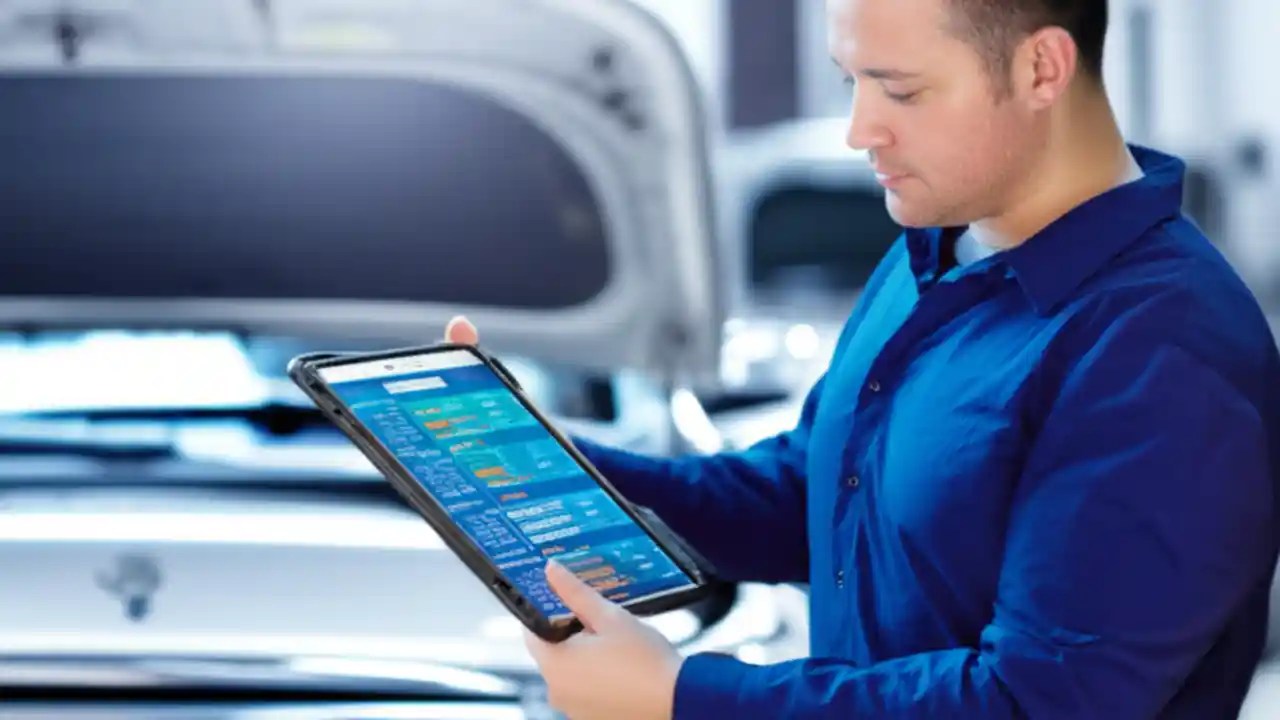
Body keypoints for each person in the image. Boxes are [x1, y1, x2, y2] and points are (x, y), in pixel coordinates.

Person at [447, 0, 1280, 716]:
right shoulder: (933, 247)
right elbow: (816, 496)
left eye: (900, 89)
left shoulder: (1164, 351)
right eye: (854, 79)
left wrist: (682, 697)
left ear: (1041, 69)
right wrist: (548, 464)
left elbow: (1033, 702)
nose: (858, 131)